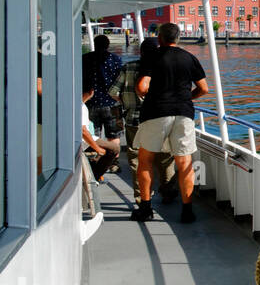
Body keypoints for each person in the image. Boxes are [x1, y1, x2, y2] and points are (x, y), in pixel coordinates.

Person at [131, 22, 208, 223]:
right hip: (183, 113)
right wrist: (187, 98)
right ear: (178, 38)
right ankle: (187, 210)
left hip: (156, 112)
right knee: (184, 163)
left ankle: (146, 208)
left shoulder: (152, 56)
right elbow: (204, 88)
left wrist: (146, 93)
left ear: (160, 38)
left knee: (145, 160)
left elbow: (142, 86)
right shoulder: (189, 57)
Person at [112, 37, 177, 204]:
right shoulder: (163, 67)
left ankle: (141, 197)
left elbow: (113, 92)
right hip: (159, 119)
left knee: (136, 160)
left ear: (140, 52)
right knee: (164, 156)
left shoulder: (127, 67)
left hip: (133, 119)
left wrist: (126, 102)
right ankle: (168, 192)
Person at [82, 34, 124, 169]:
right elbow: (120, 80)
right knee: (114, 134)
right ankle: (114, 163)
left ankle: (96, 160)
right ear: (108, 45)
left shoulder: (85, 58)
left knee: (94, 134)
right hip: (113, 102)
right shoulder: (116, 59)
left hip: (91, 102)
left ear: (94, 44)